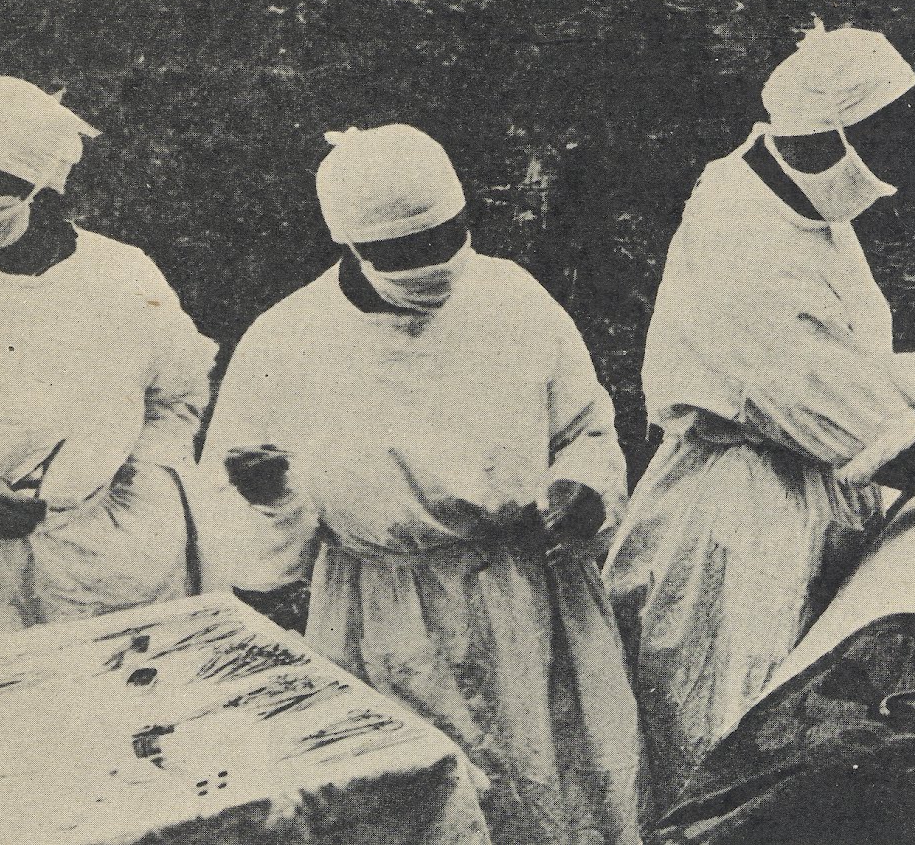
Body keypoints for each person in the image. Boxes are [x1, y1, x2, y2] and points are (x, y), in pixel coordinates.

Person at [194, 124, 643, 845]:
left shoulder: (512, 298)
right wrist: (271, 497)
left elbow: (586, 430)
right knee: (420, 811)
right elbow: (246, 538)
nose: (434, 265)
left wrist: (582, 489)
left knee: (556, 803)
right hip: (385, 618)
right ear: (352, 245)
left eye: (447, 239)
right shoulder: (289, 340)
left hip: (532, 605)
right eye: (403, 254)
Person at [604, 23, 915, 803]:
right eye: (883, 135)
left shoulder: (791, 195)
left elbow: (839, 357)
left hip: (808, 487)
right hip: (744, 520)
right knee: (738, 733)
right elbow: (884, 446)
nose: (898, 157)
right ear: (824, 136)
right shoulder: (750, 244)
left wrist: (904, 391)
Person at [0, 75, 216, 642]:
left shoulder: (124, 277)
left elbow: (178, 397)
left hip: (109, 569)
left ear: (43, 188)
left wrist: (140, 492)